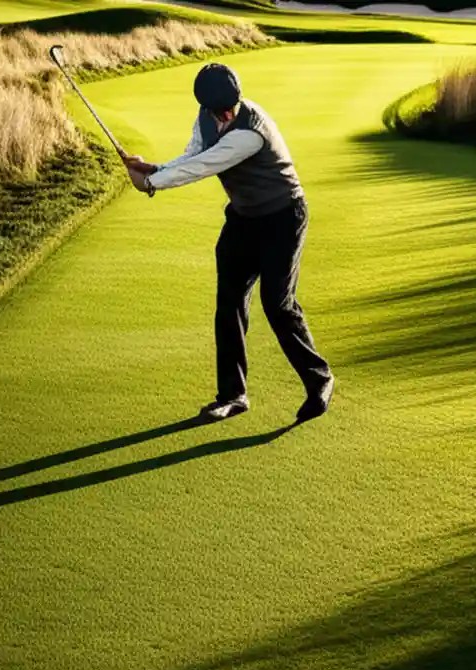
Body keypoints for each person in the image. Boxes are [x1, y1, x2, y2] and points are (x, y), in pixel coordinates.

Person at [121, 63, 334, 424]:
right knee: (229, 302)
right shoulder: (204, 119)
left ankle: (319, 380)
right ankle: (233, 395)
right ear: (206, 106)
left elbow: (204, 166)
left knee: (277, 303)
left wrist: (154, 183)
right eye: (219, 109)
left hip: (283, 217)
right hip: (243, 220)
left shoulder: (250, 131)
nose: (226, 114)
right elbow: (192, 155)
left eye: (230, 107)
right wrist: (154, 169)